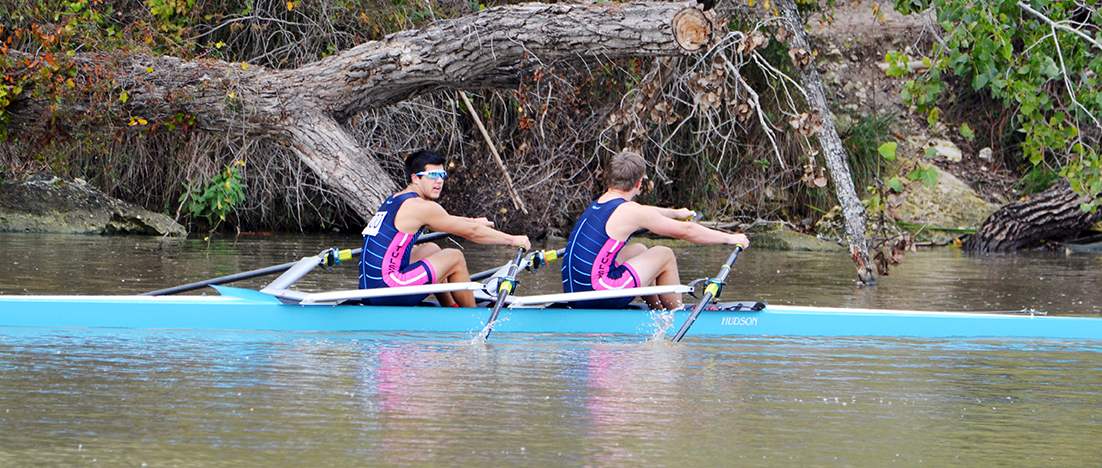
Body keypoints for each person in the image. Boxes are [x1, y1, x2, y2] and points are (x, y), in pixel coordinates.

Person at [561, 150, 749, 310]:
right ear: (638, 184)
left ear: (610, 178)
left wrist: (675, 214)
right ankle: (675, 314)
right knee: (664, 254)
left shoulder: (600, 204)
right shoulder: (630, 211)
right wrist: (730, 238)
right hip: (597, 293)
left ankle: (656, 308)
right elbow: (686, 231)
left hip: (575, 292)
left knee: (639, 250)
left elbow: (646, 212)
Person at [359, 150, 531, 307]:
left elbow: (445, 220)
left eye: (442, 174)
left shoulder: (398, 199)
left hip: (369, 289)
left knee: (431, 249)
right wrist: (513, 239)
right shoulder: (422, 207)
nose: (439, 181)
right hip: (387, 290)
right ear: (415, 178)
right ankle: (472, 317)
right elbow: (472, 233)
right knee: (454, 257)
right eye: (433, 175)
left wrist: (472, 221)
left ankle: (451, 307)